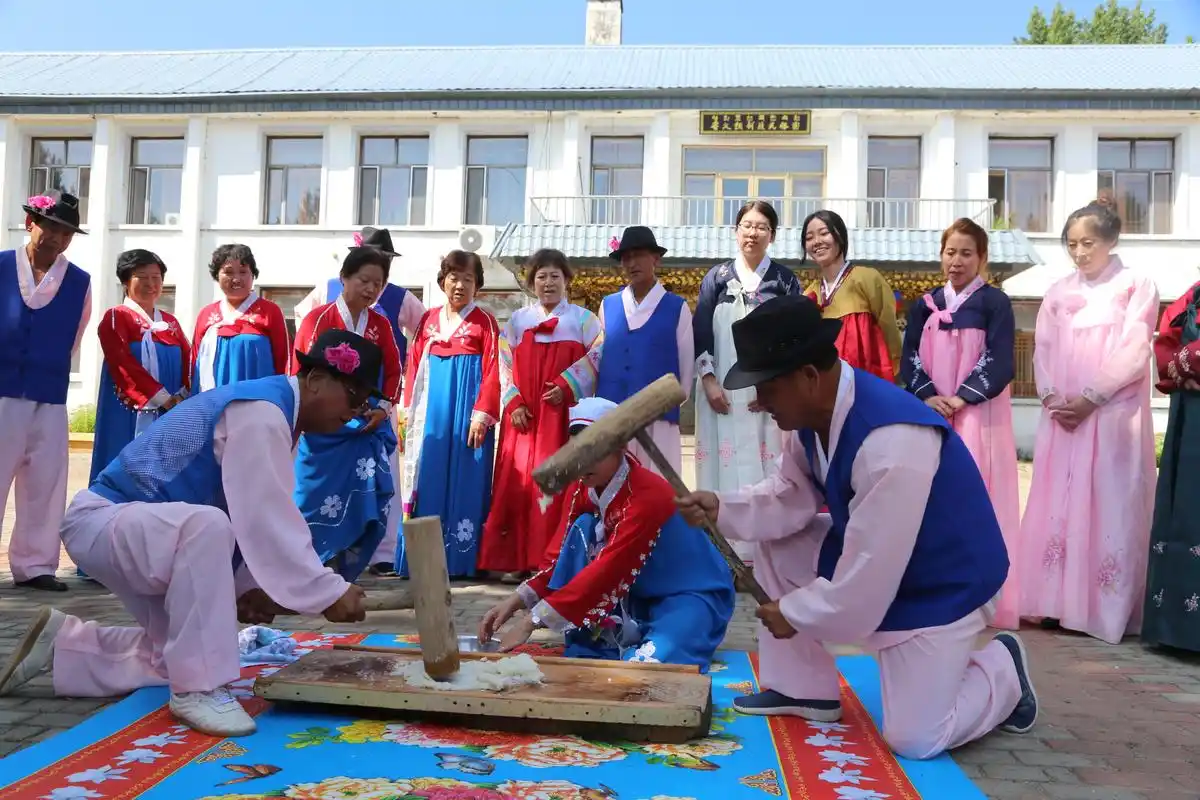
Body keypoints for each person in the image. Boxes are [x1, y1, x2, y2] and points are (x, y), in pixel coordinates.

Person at [674, 294, 1037, 761]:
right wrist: (720, 506)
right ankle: (800, 688)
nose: (758, 404)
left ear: (808, 377)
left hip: (946, 584)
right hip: (886, 562)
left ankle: (1005, 668)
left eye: (765, 388)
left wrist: (795, 611)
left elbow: (865, 583)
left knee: (915, 738)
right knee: (778, 541)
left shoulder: (891, 440)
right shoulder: (808, 417)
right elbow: (790, 498)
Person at [0, 330, 376, 736]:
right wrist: (327, 591)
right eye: (354, 397)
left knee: (183, 653)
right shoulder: (264, 413)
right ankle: (199, 689)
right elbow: (268, 520)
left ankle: (65, 646)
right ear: (317, 379)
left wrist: (251, 590)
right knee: (206, 530)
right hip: (105, 520)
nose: (355, 412)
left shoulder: (277, 414)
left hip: (149, 532)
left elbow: (251, 519)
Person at [479, 397, 735, 671]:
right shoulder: (584, 488)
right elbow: (558, 558)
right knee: (584, 527)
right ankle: (601, 632)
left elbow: (609, 569)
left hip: (688, 594)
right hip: (636, 596)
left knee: (650, 668)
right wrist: (516, 600)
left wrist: (532, 621)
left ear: (620, 447)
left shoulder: (647, 497)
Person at [1017, 199, 1159, 644]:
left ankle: (1103, 607)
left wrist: (1092, 396)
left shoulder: (1137, 285)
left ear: (1112, 239)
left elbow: (1136, 348)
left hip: (1111, 415)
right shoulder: (1059, 291)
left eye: (1088, 243)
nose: (1079, 252)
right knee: (1059, 500)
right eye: (1072, 244)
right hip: (1065, 419)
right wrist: (1053, 396)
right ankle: (1055, 602)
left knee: (1109, 501)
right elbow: (1042, 348)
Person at [900, 218, 1021, 629]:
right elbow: (910, 358)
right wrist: (929, 396)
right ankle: (936, 586)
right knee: (930, 495)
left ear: (982, 258)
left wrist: (962, 396)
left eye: (966, 253)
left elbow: (1001, 359)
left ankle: (984, 593)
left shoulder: (994, 303)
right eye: (950, 252)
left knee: (978, 494)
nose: (957, 261)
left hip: (978, 416)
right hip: (935, 413)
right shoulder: (925, 304)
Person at [295, 227, 424, 577]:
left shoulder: (382, 321)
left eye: (376, 283)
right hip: (322, 422)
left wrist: (383, 409)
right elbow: (301, 371)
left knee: (374, 483)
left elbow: (395, 371)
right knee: (312, 489)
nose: (369, 289)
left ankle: (374, 554)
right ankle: (307, 555)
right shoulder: (318, 317)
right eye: (363, 280)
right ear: (344, 278)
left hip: (365, 417)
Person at [480, 248, 604, 583]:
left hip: (561, 415)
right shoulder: (519, 320)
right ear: (531, 282)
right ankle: (513, 559)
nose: (548, 283)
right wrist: (514, 402)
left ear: (566, 280)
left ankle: (549, 558)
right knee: (519, 479)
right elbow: (502, 363)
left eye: (554, 276)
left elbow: (597, 356)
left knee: (557, 479)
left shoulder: (584, 320)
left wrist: (567, 386)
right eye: (541, 276)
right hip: (524, 417)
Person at [693, 200, 801, 564]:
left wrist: (774, 387)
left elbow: (793, 336)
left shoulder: (784, 280)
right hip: (721, 390)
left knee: (767, 462)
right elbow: (701, 332)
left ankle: (764, 551)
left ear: (772, 234)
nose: (753, 233)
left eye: (761, 226)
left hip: (766, 396)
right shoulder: (716, 278)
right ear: (736, 231)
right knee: (722, 465)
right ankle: (722, 551)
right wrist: (708, 380)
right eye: (746, 225)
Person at [0, 193, 92, 592]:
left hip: (49, 396)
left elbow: (74, 338)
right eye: (49, 227)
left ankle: (35, 564)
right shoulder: (1, 266)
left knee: (46, 482)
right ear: (29, 224)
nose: (56, 237)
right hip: (1, 392)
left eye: (65, 232)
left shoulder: (80, 282)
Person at [401, 250, 501, 578]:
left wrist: (483, 413)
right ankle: (424, 558)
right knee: (428, 476)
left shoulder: (485, 321)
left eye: (468, 279)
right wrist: (408, 413)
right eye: (454, 277)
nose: (460, 285)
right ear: (443, 280)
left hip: (468, 411)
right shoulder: (428, 320)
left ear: (478, 286)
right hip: (432, 411)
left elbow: (493, 370)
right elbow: (413, 366)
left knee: (467, 478)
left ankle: (461, 560)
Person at [595, 226, 694, 477]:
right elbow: (596, 361)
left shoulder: (676, 308)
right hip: (613, 415)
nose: (632, 263)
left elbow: (685, 373)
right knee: (613, 485)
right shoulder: (608, 306)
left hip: (657, 421)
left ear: (655, 259)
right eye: (626, 257)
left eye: (639, 255)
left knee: (658, 488)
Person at [90, 249, 191, 484]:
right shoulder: (116, 317)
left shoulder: (169, 322)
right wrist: (162, 398)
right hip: (129, 411)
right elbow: (122, 363)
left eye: (156, 277)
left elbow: (188, 359)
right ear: (126, 281)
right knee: (123, 466)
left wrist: (183, 395)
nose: (150, 284)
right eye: (142, 277)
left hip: (171, 410)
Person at [1143, 278, 1200, 653]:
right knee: (1186, 509)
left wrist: (1190, 361)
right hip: (1191, 412)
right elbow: (1165, 339)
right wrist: (1185, 367)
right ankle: (1176, 628)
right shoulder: (1193, 294)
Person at [801, 209, 901, 382]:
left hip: (865, 377)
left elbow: (889, 328)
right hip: (826, 385)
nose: (816, 242)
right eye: (809, 238)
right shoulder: (810, 292)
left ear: (840, 236)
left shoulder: (866, 278)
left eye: (824, 233)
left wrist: (895, 369)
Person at [191, 244, 290, 393]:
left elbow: (284, 360)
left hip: (257, 399)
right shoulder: (206, 314)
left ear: (253, 275)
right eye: (228, 272)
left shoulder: (270, 312)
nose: (236, 279)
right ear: (217, 276)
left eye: (243, 272)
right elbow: (194, 361)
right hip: (212, 399)